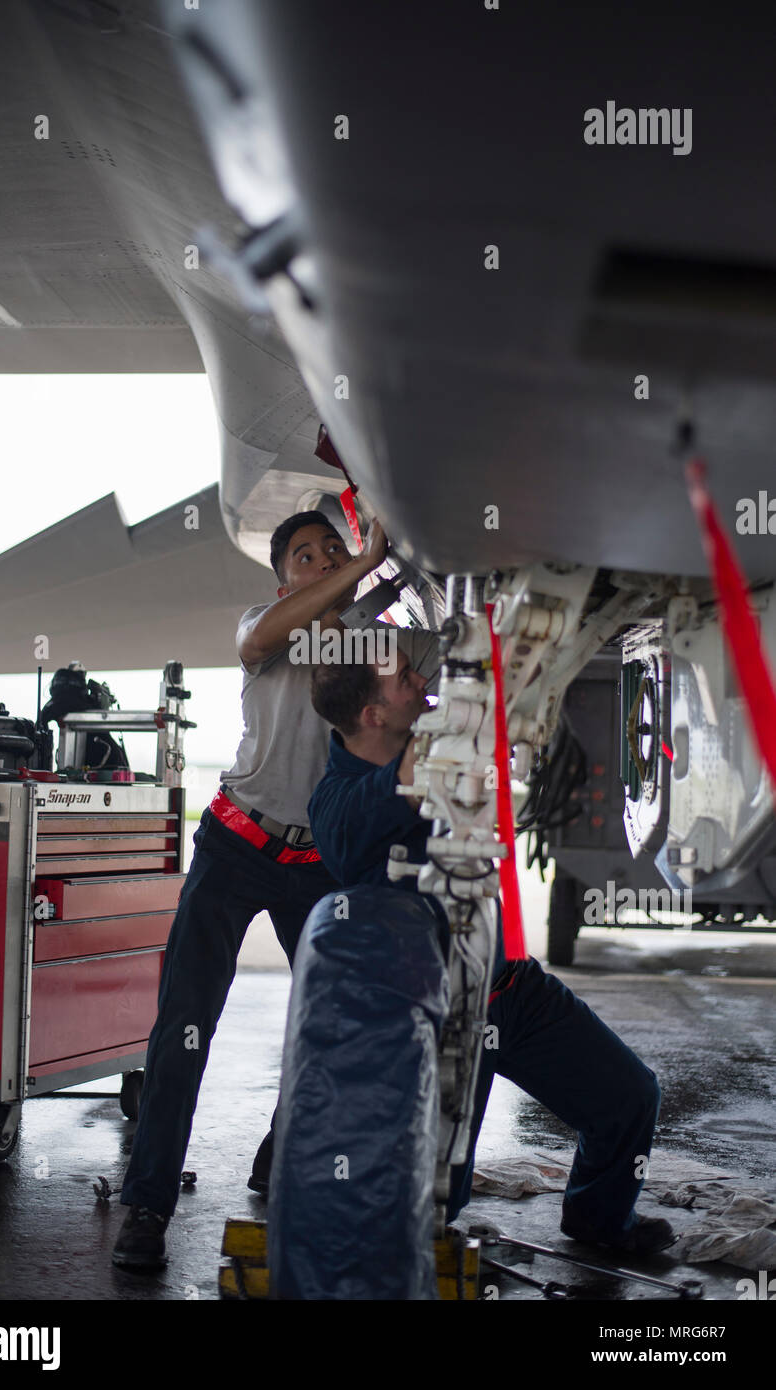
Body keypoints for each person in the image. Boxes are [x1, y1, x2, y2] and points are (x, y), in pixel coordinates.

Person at [113, 510, 435, 1270]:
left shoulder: (368, 639)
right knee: (184, 1029)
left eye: (330, 546)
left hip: (314, 860)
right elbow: (263, 640)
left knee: (327, 1025)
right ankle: (146, 1205)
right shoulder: (265, 626)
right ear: (281, 577)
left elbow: (434, 667)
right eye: (305, 555)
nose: (321, 560)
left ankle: (277, 1156)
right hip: (233, 845)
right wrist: (357, 564)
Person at [306, 650, 675, 1256]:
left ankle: (598, 1220)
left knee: (629, 1098)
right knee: (433, 1199)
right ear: (373, 715)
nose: (420, 681)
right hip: (436, 1018)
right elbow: (405, 775)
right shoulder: (338, 803)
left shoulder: (425, 754)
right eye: (405, 679)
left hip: (511, 990)